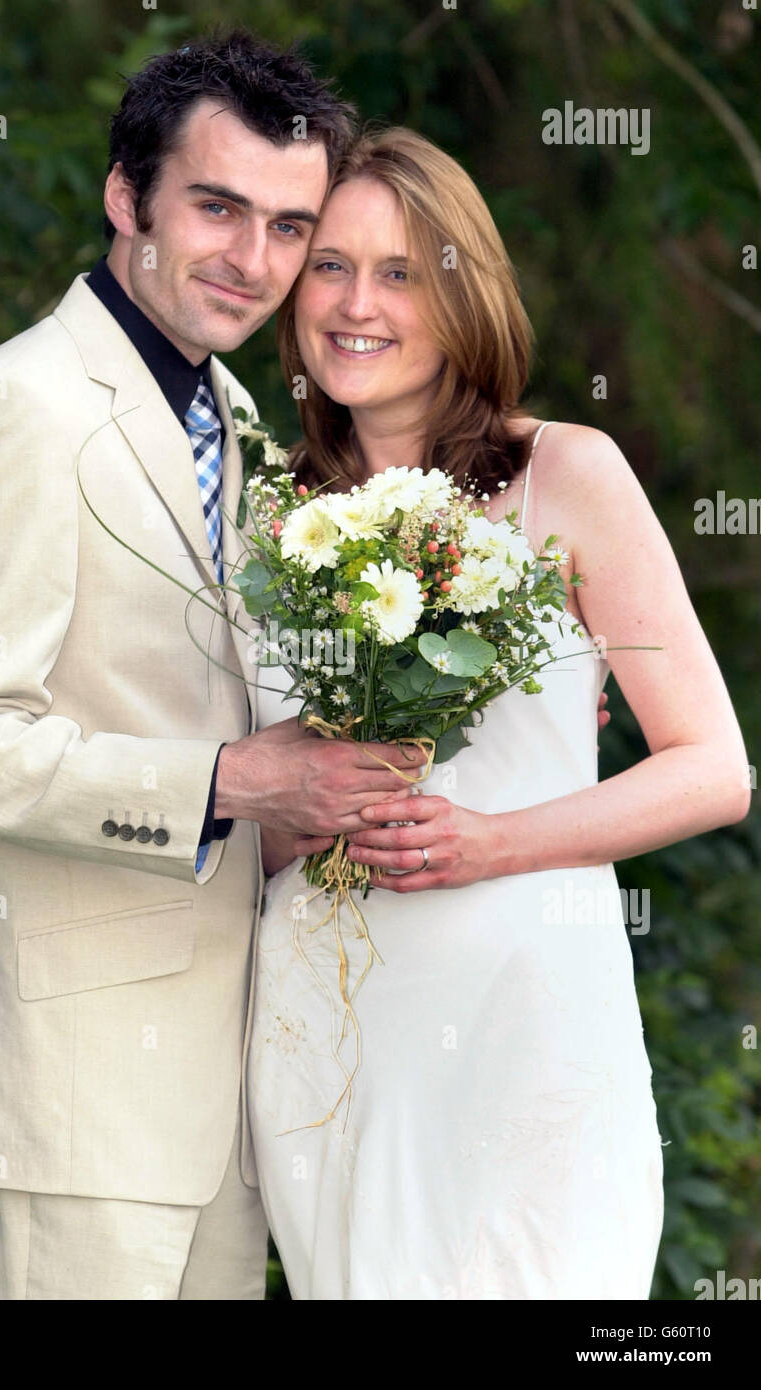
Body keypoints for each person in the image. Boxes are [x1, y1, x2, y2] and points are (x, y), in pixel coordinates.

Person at [0, 29, 424, 1302]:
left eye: (289, 227)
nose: (254, 260)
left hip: (215, 1102)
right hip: (64, 1092)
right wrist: (226, 779)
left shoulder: (229, 419)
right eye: (217, 208)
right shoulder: (20, 407)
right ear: (127, 197)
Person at [246, 127, 751, 1300]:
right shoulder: (266, 515)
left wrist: (489, 842)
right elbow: (254, 819)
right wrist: (303, 805)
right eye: (328, 265)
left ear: (462, 292)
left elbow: (712, 766)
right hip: (328, 1043)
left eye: (399, 272)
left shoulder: (563, 473)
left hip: (524, 1029)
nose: (354, 304)